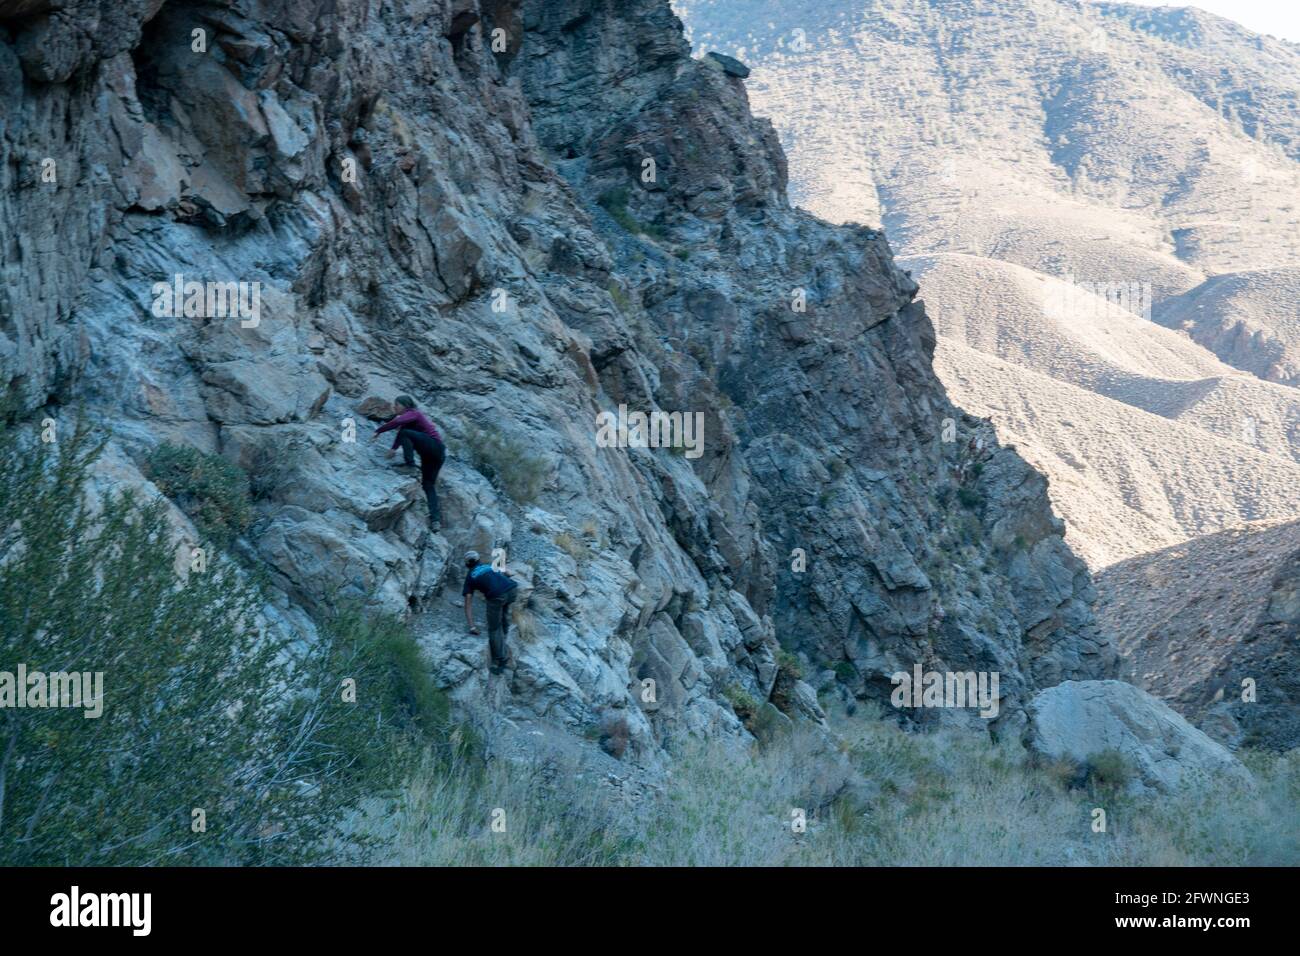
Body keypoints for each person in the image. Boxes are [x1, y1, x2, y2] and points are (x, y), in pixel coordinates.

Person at [373, 395, 445, 532]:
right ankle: (435, 521)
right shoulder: (408, 422)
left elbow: (397, 424)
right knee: (428, 485)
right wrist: (393, 449)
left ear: (406, 406)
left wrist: (378, 430)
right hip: (435, 455)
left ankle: (410, 466)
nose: (394, 408)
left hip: (434, 447)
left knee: (406, 432)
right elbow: (401, 434)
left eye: (397, 405)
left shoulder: (414, 414)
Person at [462, 551, 519, 673]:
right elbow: (508, 573)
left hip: (497, 596)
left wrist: (472, 626)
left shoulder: (470, 576)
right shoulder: (488, 566)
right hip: (512, 589)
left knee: (493, 628)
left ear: (467, 564)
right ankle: (504, 636)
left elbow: (468, 602)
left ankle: (501, 660)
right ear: (478, 560)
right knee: (503, 613)